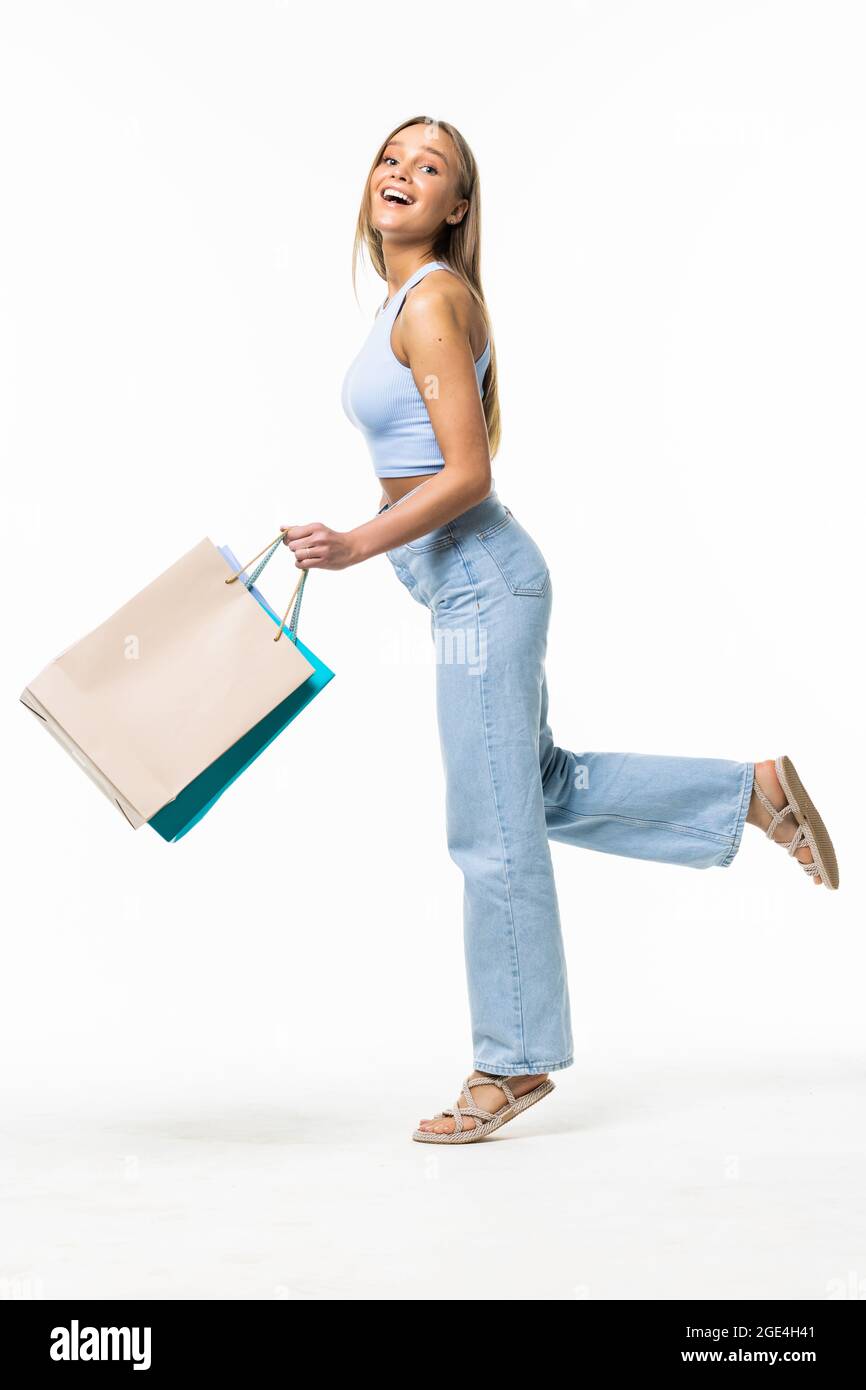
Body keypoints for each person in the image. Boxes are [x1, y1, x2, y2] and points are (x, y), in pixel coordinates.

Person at [280, 115, 839, 1146]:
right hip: (459, 586)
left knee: (488, 823)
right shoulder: (400, 304)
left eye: (430, 166)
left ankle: (512, 1057)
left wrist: (357, 543)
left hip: (478, 583)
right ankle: (748, 794)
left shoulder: (435, 297)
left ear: (456, 207)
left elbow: (465, 472)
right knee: (528, 789)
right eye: (390, 157)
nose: (401, 171)